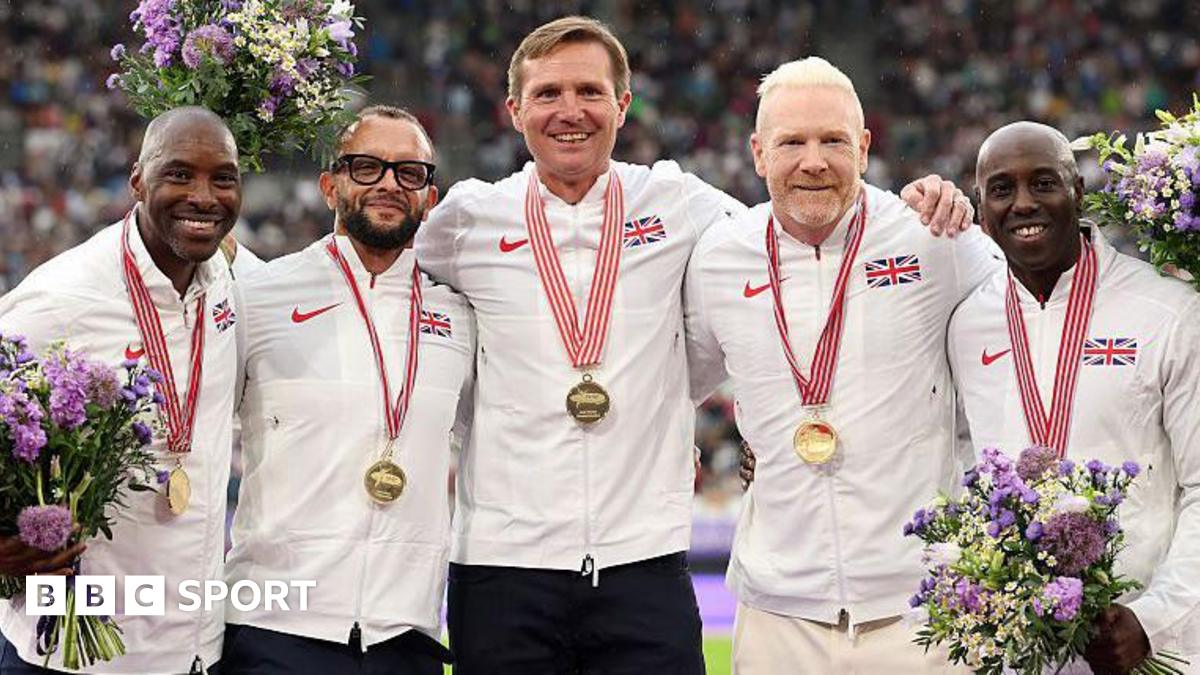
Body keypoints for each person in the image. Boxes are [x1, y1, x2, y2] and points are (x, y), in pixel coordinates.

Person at [414, 16, 972, 673]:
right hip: (501, 565)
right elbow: (399, 306)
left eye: (590, 92)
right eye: (548, 94)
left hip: (641, 564)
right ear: (514, 110)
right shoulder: (465, 219)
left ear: (623, 105)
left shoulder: (679, 203)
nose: (571, 111)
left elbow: (795, 228)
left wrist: (920, 204)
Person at [683, 57, 1003, 674]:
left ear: (862, 147)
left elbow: (1033, 332)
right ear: (756, 152)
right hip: (777, 613)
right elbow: (671, 384)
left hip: (925, 607)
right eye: (791, 142)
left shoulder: (935, 237)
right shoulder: (719, 257)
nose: (813, 160)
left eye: (832, 140)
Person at [220, 106, 469, 675]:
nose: (388, 183)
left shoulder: (458, 314)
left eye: (409, 173)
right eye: (366, 167)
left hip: (407, 638)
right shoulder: (260, 297)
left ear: (429, 197)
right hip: (274, 632)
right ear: (330, 186)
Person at [948, 121, 1200, 675]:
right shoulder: (967, 323)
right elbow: (961, 465)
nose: (1023, 204)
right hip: (1019, 651)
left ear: (1077, 192)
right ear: (979, 206)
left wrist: (1151, 620)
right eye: (1001, 189)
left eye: (1043, 183)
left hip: (1144, 646)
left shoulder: (1168, 310)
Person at [0, 106, 242, 674]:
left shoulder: (228, 283)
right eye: (179, 174)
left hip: (195, 652)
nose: (204, 196)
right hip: (67, 658)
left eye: (223, 178)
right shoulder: (63, 297)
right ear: (137, 179)